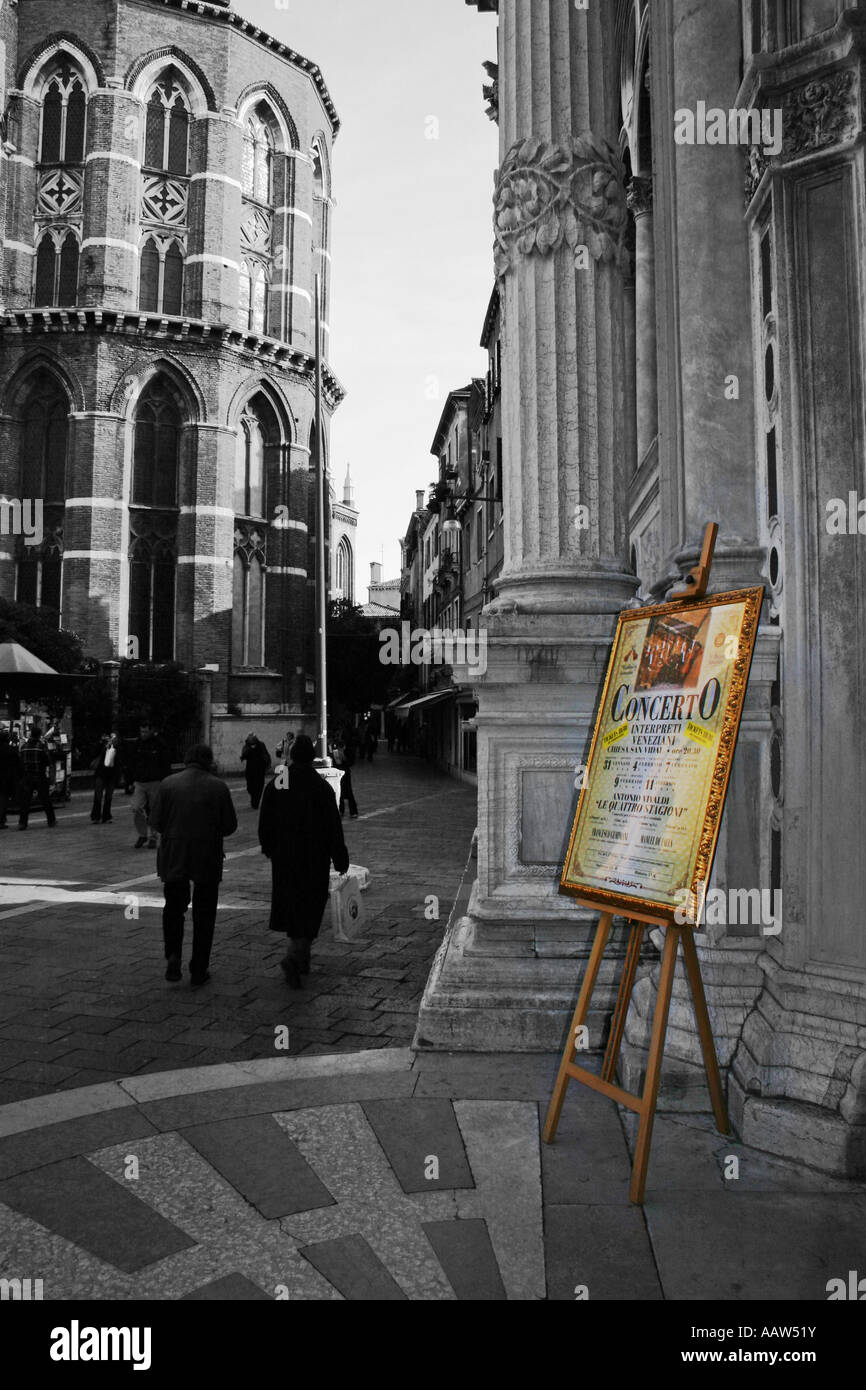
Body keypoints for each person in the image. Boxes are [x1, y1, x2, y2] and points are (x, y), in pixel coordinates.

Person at [258, 733, 349, 989]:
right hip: (313, 858)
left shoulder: (280, 782)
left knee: (292, 904)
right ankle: (294, 956)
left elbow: (266, 819)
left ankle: (302, 956)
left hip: (285, 857)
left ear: (291, 757)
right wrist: (340, 858)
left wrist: (269, 847)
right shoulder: (319, 786)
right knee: (310, 907)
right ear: (312, 759)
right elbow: (333, 826)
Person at [150, 744, 238, 988]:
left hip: (175, 854)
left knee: (174, 908)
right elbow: (230, 825)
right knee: (205, 913)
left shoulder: (167, 784)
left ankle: (173, 955)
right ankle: (199, 968)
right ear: (208, 761)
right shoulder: (218, 786)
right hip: (207, 855)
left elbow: (156, 821)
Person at [129, 721, 172, 848]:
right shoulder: (138, 744)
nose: (143, 734)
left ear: (151, 731)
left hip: (155, 781)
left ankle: (153, 836)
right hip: (140, 781)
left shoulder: (159, 744)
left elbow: (165, 763)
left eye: (145, 731)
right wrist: (131, 780)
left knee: (154, 810)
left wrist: (165, 780)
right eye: (141, 731)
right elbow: (133, 762)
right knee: (136, 808)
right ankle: (142, 834)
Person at [17, 728, 57, 830]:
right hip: (39, 776)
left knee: (25, 801)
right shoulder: (41, 747)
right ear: (39, 735)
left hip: (27, 777)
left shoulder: (24, 747)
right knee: (45, 799)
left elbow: (20, 763)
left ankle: (22, 823)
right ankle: (51, 820)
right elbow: (49, 761)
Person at [90, 732, 122, 824]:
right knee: (98, 794)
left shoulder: (117, 747)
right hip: (101, 771)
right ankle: (96, 816)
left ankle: (106, 815)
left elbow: (118, 760)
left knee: (108, 795)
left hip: (111, 772)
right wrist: (102, 744)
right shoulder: (102, 744)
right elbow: (94, 752)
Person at [240, 732, 271, 810]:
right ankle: (253, 798)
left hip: (260, 769)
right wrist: (249, 750)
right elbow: (244, 755)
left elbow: (266, 754)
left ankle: (255, 802)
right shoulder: (246, 746)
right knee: (250, 787)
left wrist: (267, 764)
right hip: (250, 770)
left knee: (259, 787)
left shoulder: (261, 745)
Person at [331, 733, 358, 819]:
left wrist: (344, 757)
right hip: (338, 772)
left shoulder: (349, 751)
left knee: (349, 792)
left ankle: (353, 811)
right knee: (340, 792)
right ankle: (341, 810)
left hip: (346, 773)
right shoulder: (334, 752)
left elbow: (350, 762)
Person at [0, 727, 19, 830]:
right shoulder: (11, 749)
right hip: (6, 778)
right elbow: (17, 763)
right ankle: (1, 820)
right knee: (3, 799)